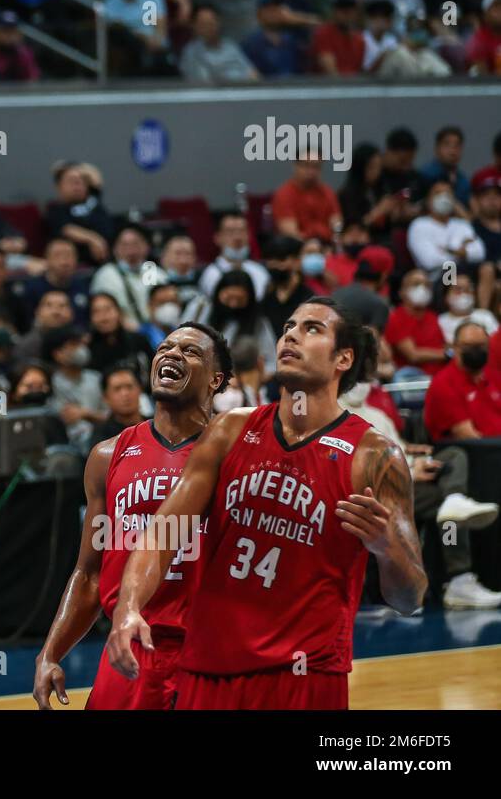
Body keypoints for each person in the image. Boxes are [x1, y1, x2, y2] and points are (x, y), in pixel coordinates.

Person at [107, 299, 427, 709]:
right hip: (209, 668)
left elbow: (410, 598)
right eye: (289, 325)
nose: (291, 334)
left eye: (312, 329)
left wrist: (387, 549)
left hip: (308, 674)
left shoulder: (374, 455)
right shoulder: (229, 430)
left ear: (343, 358)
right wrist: (128, 607)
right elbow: (163, 534)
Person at [34, 323, 229, 709]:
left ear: (215, 380)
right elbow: (89, 574)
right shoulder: (108, 456)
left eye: (190, 351)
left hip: (213, 649)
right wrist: (50, 652)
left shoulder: (236, 454)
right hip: (132, 645)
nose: (172, 353)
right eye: (167, 346)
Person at [338, 381, 501, 610]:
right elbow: (363, 468)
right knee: (447, 509)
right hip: (378, 490)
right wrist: (412, 472)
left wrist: (417, 461)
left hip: (408, 475)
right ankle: (457, 577)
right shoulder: (340, 417)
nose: (361, 385)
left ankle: (457, 570)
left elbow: (398, 450)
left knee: (454, 462)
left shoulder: (378, 415)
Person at [424, 321, 501, 440]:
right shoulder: (444, 383)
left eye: (481, 345)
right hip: (476, 451)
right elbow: (468, 435)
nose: (475, 350)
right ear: (454, 347)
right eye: (468, 346)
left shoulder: (494, 376)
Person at [90, 225, 166, 327]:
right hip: (122, 331)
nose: (131, 250)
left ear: (146, 246)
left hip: (156, 328)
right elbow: (103, 310)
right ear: (115, 249)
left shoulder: (152, 270)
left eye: (136, 244)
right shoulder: (106, 275)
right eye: (124, 245)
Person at [43, 161, 113, 267]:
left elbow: (96, 178)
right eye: (71, 181)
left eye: (82, 181)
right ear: (59, 187)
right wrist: (92, 239)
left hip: (109, 262)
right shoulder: (55, 209)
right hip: (77, 268)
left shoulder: (94, 203)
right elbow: (67, 229)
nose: (77, 185)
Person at [385, 269, 447, 374]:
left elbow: (442, 345)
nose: (422, 289)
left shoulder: (432, 316)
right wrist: (448, 354)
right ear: (402, 291)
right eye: (416, 284)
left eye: (426, 285)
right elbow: (413, 355)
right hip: (413, 381)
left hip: (439, 375)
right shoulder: (396, 318)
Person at [179, 5, 257, 83]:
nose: (209, 28)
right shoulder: (191, 52)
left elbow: (252, 73)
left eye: (212, 23)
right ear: (195, 26)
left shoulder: (230, 46)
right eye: (204, 24)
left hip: (243, 91)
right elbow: (202, 84)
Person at [271, 155, 342, 241]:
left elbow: (337, 225)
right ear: (296, 166)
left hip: (327, 245)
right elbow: (291, 233)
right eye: (306, 165)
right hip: (298, 247)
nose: (311, 171)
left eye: (316, 166)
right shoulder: (284, 194)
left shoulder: (328, 193)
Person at [199, 212, 269, 299]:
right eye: (230, 232)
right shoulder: (210, 275)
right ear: (217, 237)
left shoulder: (260, 272)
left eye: (242, 231)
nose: (237, 237)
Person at [89, 366, 150, 449]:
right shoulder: (101, 438)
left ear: (140, 390)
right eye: (117, 389)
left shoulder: (156, 425)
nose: (125, 394)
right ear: (106, 397)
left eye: (129, 387)